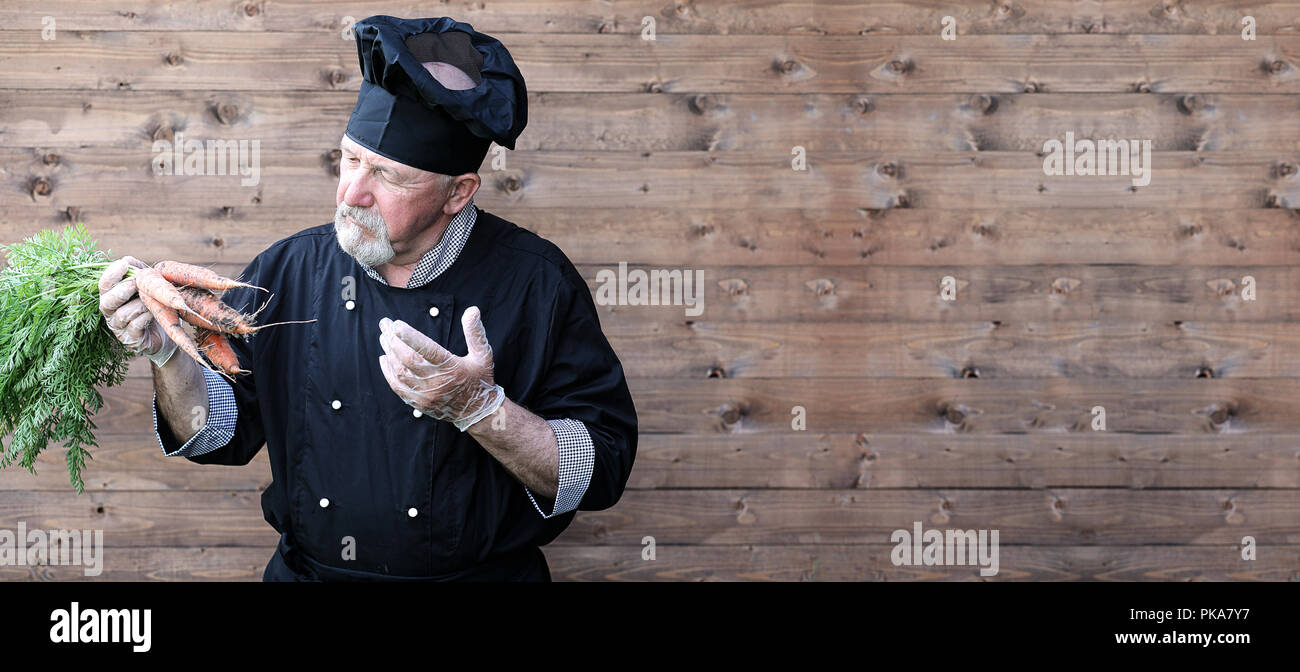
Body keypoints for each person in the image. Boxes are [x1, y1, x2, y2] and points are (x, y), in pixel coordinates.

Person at [95, 15, 638, 581]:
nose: (353, 193)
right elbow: (213, 432)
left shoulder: (538, 282)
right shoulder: (288, 269)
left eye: (389, 176)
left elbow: (597, 473)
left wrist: (483, 411)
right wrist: (169, 355)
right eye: (350, 160)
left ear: (458, 192)